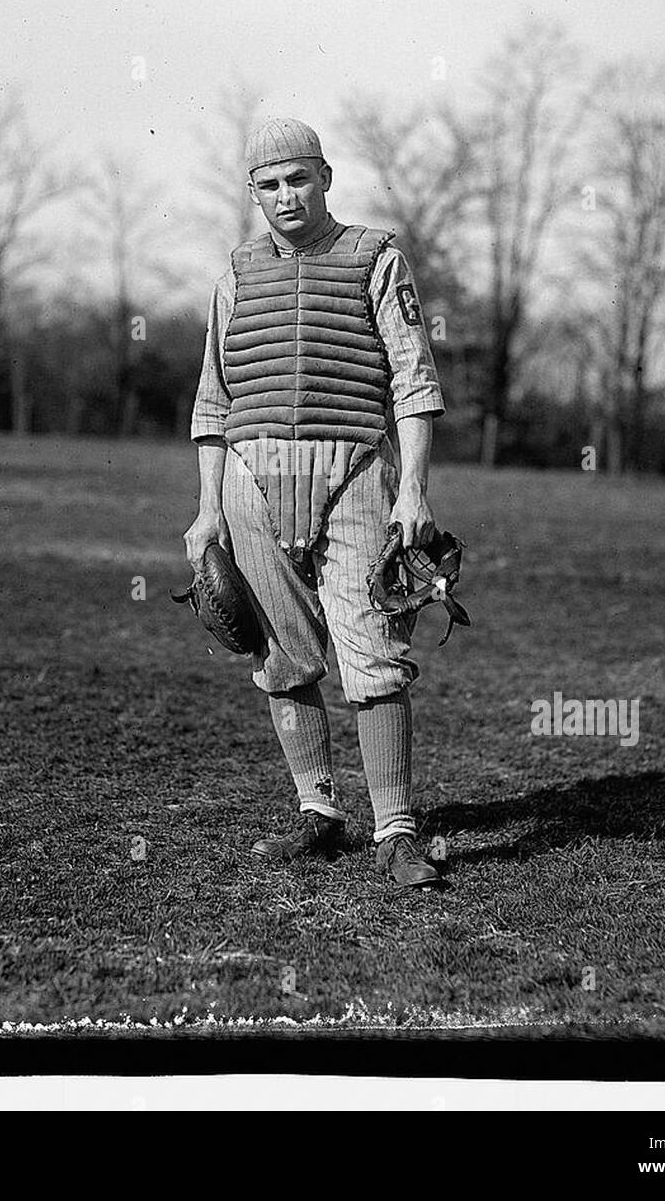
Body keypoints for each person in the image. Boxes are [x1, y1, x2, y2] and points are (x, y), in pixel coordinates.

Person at [184, 117, 447, 887]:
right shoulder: (235, 273)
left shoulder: (375, 256)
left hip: (354, 470)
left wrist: (414, 488)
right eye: (267, 185)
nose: (284, 196)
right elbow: (212, 402)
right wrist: (207, 512)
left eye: (297, 179)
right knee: (282, 654)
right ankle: (319, 813)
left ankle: (395, 831)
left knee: (373, 656)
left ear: (325, 177)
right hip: (250, 481)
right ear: (253, 193)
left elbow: (413, 379)